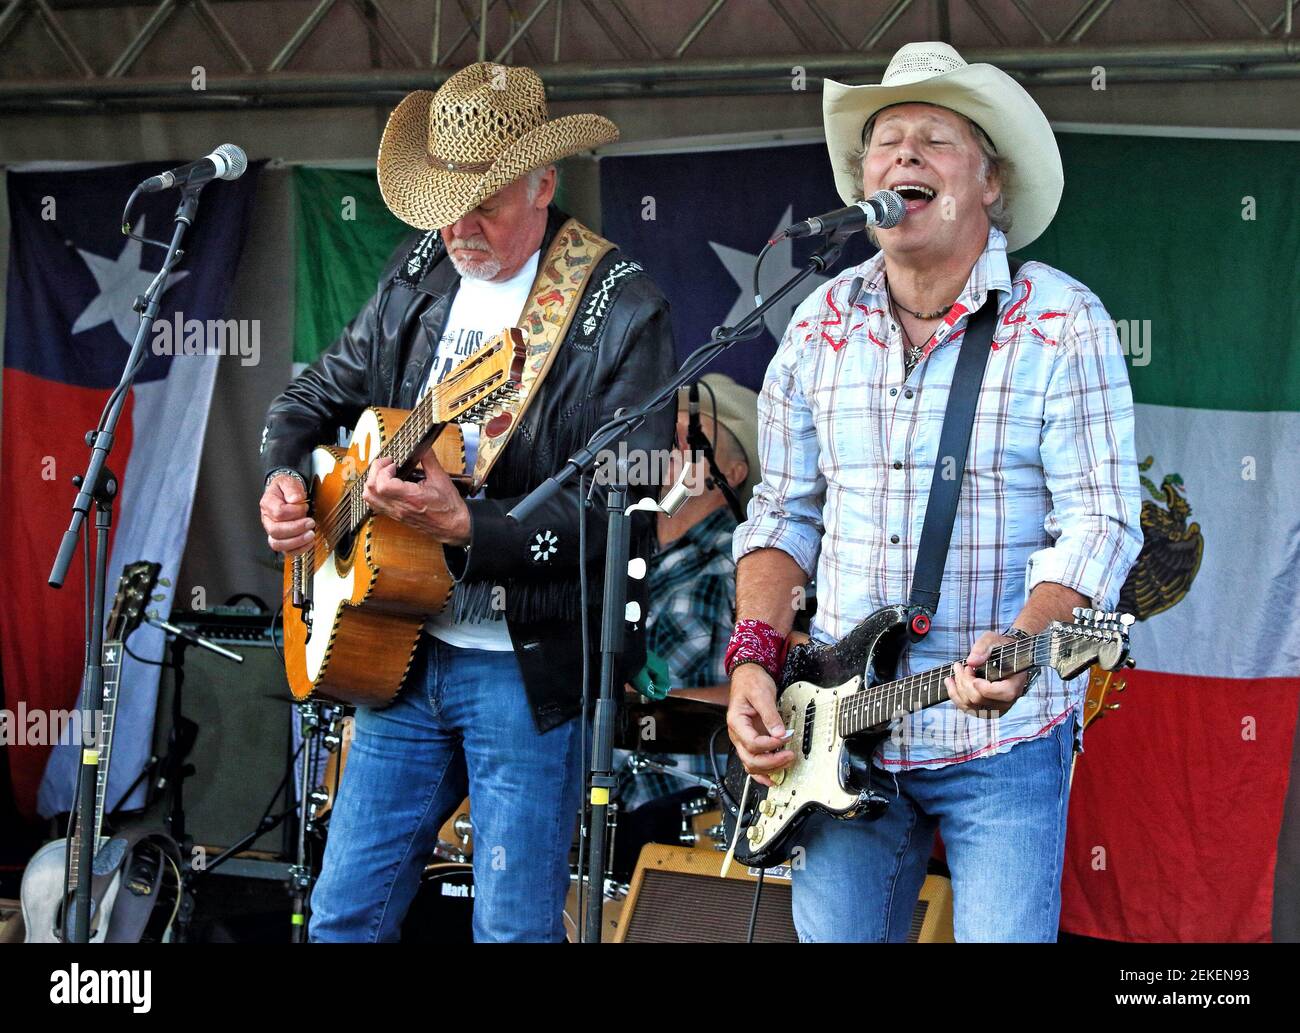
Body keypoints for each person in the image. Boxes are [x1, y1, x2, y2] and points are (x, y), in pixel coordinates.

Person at [725, 41, 1142, 942]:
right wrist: (755, 657)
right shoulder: (817, 324)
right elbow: (783, 515)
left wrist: (1027, 644)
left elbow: (1101, 519)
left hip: (1003, 738)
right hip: (837, 727)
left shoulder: (1063, 322)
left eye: (934, 138)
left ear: (991, 183)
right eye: (885, 141)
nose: (902, 156)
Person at [258, 62, 675, 942]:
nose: (458, 225)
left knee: (514, 930)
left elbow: (623, 503)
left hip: (521, 663)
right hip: (398, 649)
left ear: (544, 181)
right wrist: (285, 480)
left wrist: (469, 526)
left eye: (484, 201)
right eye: (447, 198)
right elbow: (308, 401)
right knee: (341, 916)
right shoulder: (420, 270)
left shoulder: (621, 307)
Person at [619, 373, 758, 810]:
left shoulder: (749, 561)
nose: (672, 441)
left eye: (693, 438)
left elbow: (783, 691)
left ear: (733, 473)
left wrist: (644, 707)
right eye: (668, 431)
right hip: (603, 801)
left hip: (692, 806)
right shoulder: (618, 543)